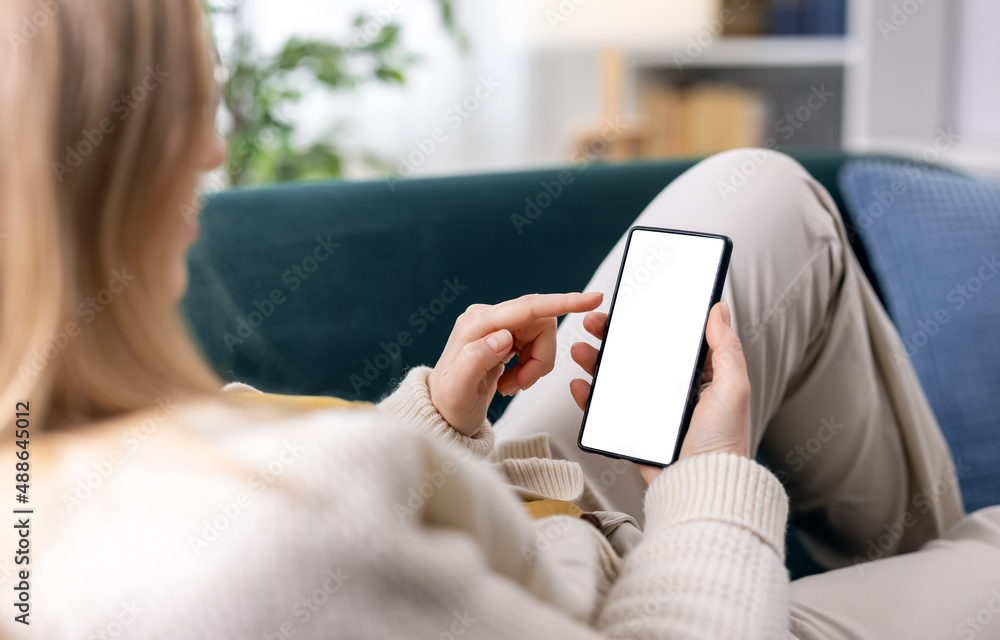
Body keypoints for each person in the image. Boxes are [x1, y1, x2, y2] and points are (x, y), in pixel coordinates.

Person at [2, 0, 999, 638]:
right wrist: (711, 482)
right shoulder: (258, 553)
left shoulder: (39, 445)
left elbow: (344, 528)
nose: (216, 152)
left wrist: (440, 413)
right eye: (182, 107)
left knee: (758, 191)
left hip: (547, 532)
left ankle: (897, 576)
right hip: (640, 606)